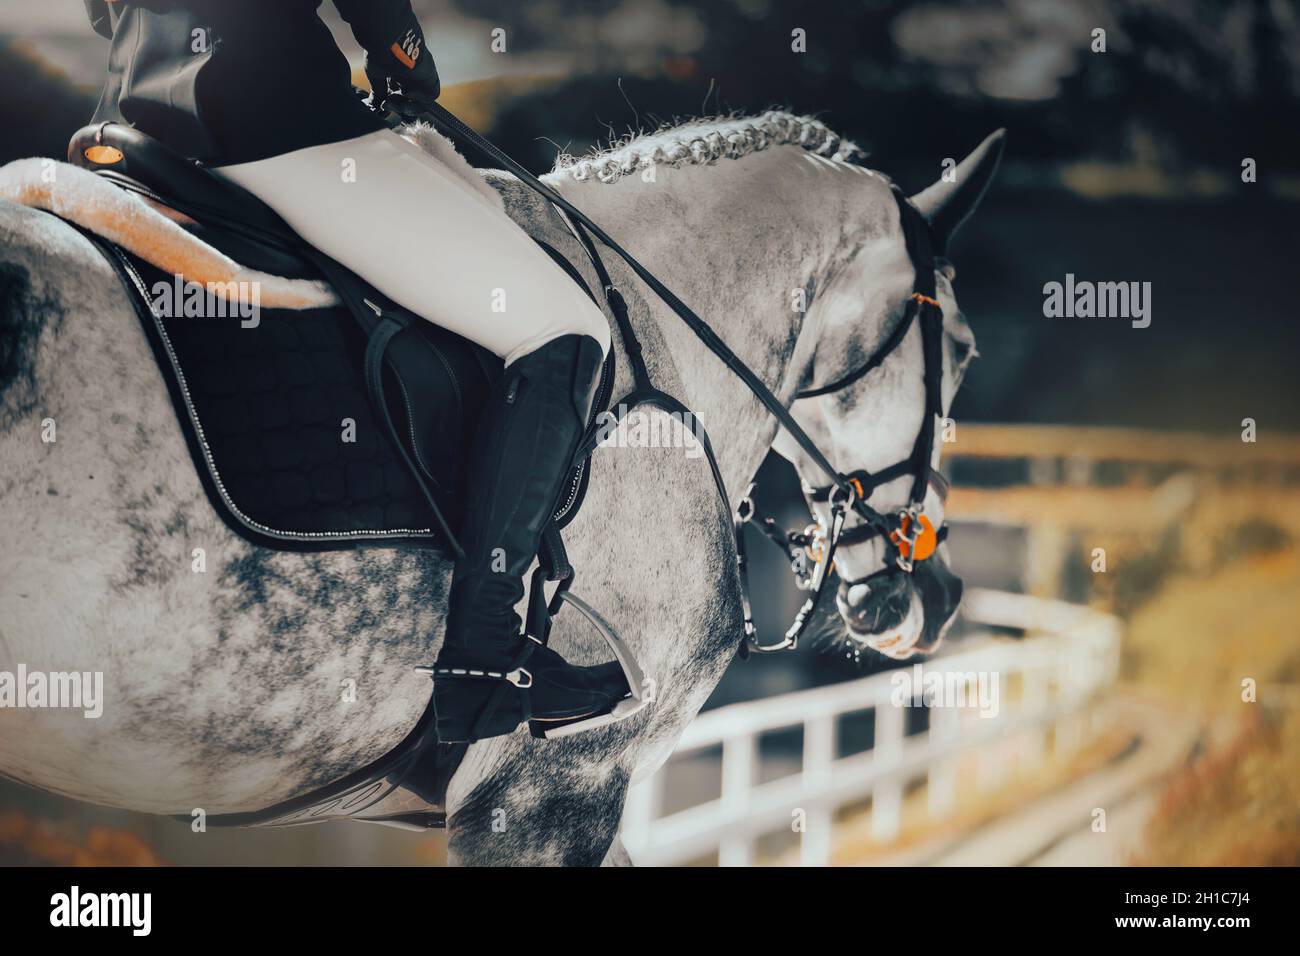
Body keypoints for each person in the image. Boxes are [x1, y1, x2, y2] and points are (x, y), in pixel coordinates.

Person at [85, 0, 632, 743]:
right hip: (274, 125)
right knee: (565, 330)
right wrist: (402, 56)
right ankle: (485, 660)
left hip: (132, 123)